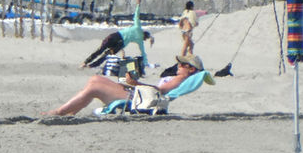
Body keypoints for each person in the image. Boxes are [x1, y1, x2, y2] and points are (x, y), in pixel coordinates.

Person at [43, 54, 207, 117]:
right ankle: (70, 112)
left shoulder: (179, 80)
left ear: (191, 69)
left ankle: (60, 112)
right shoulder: (178, 77)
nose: (178, 65)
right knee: (94, 79)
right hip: (139, 96)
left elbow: (159, 91)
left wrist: (135, 83)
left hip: (138, 100)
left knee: (94, 87)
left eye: (182, 64)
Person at [80, 28, 153, 69]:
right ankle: (86, 62)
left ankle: (91, 65)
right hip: (115, 37)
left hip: (120, 43)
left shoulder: (139, 40)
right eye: (144, 38)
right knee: (100, 50)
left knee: (106, 54)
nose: (143, 39)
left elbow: (143, 51)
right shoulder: (136, 29)